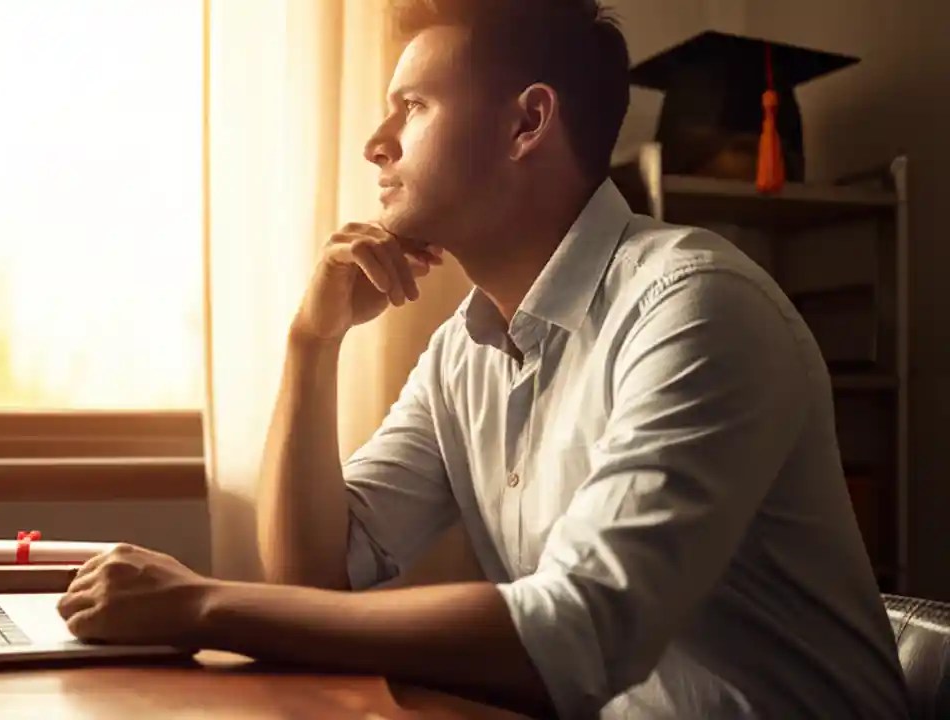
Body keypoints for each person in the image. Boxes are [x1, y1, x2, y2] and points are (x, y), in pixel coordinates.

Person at [57, 1, 909, 717]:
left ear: (527, 122)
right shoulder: (463, 351)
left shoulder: (696, 305)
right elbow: (315, 573)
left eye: (413, 106)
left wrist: (202, 605)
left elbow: (579, 629)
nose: (377, 143)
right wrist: (309, 345)